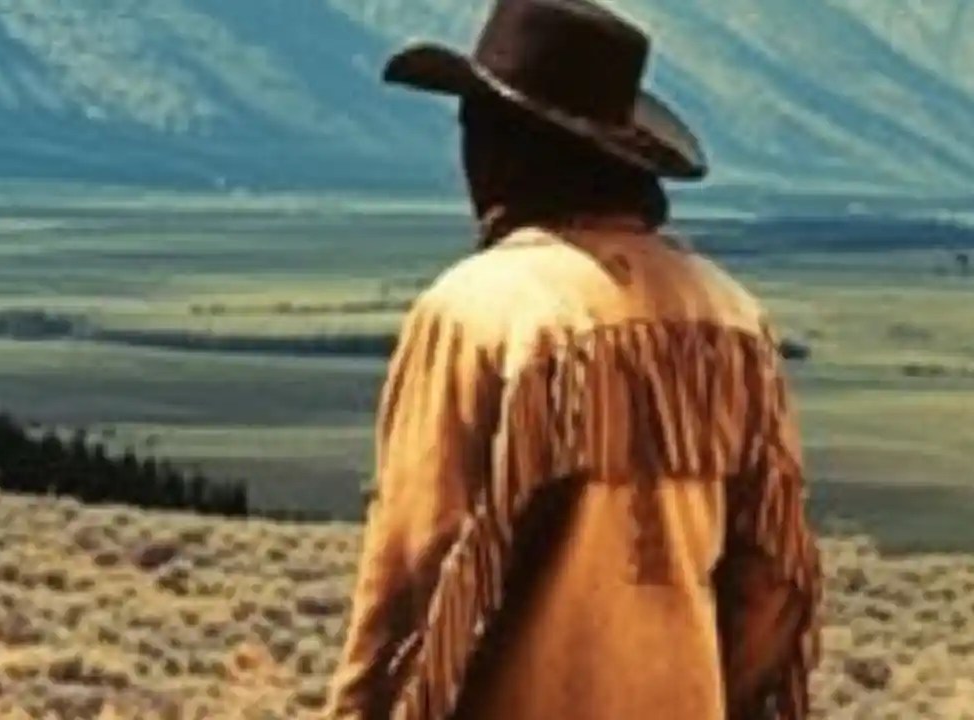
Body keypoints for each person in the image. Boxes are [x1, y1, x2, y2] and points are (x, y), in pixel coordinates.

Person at [326, 1, 822, 719]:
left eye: (475, 130)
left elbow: (416, 577)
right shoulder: (731, 319)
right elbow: (774, 577)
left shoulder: (478, 310)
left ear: (509, 147)